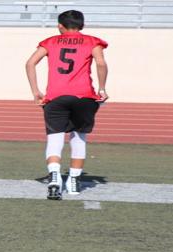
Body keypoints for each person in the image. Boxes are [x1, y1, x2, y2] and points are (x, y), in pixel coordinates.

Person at [25, 9, 108, 200]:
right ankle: (74, 180)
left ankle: (54, 177)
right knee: (79, 136)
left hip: (56, 96)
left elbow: (30, 63)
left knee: (54, 137)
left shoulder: (50, 42)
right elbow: (101, 63)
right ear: (83, 25)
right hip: (84, 96)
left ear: (60, 26)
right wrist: (102, 89)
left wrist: (35, 91)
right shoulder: (92, 41)